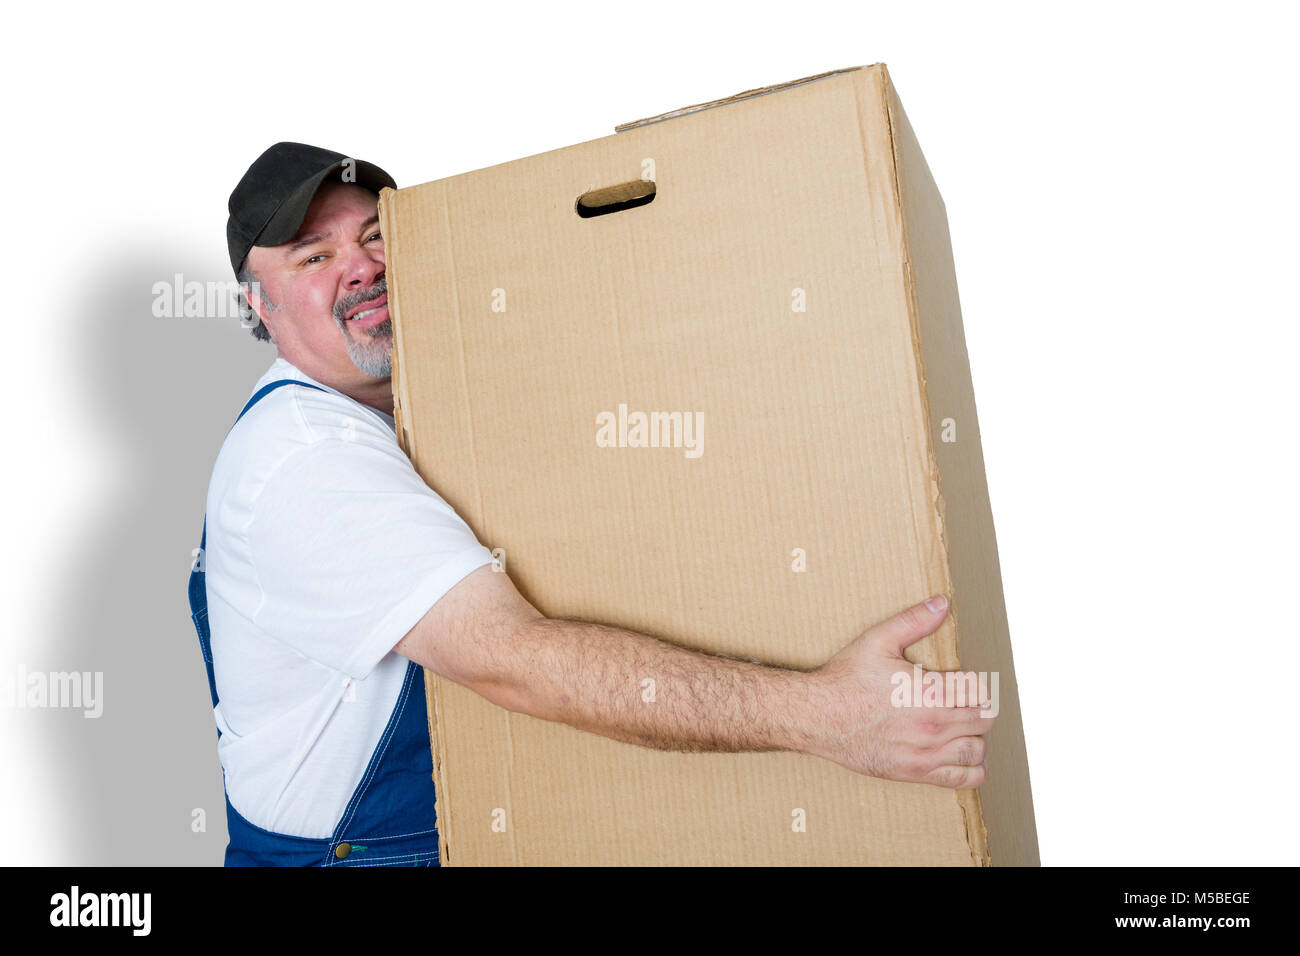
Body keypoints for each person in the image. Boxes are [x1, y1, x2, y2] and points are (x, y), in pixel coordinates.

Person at [189, 142, 994, 867]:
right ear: (260, 307)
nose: (361, 266)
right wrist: (823, 714)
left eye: (373, 234)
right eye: (312, 256)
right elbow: (510, 661)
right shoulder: (305, 461)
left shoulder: (440, 405)